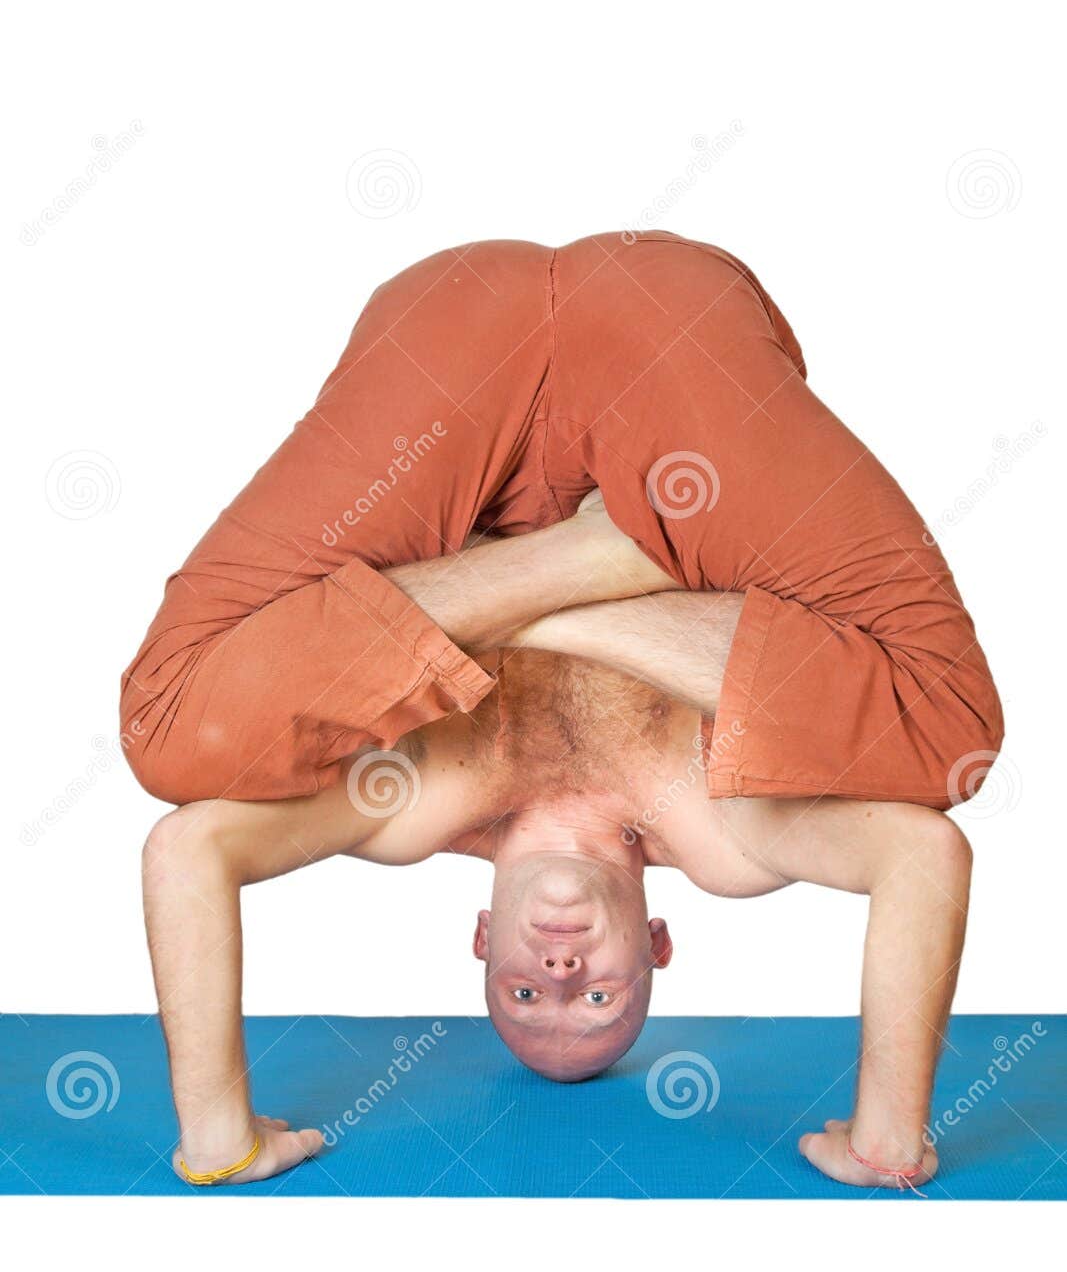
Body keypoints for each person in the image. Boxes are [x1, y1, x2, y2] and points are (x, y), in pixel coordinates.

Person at [122, 233, 1002, 1190]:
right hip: (664, 337)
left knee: (171, 734)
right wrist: (886, 1138)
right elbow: (925, 851)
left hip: (454, 344)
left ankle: (586, 562)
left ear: (480, 941)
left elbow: (187, 846)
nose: (561, 969)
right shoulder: (727, 835)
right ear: (657, 945)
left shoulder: (405, 803)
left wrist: (219, 1135)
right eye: (598, 996)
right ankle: (592, 563)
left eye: (525, 991)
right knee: (946, 733)